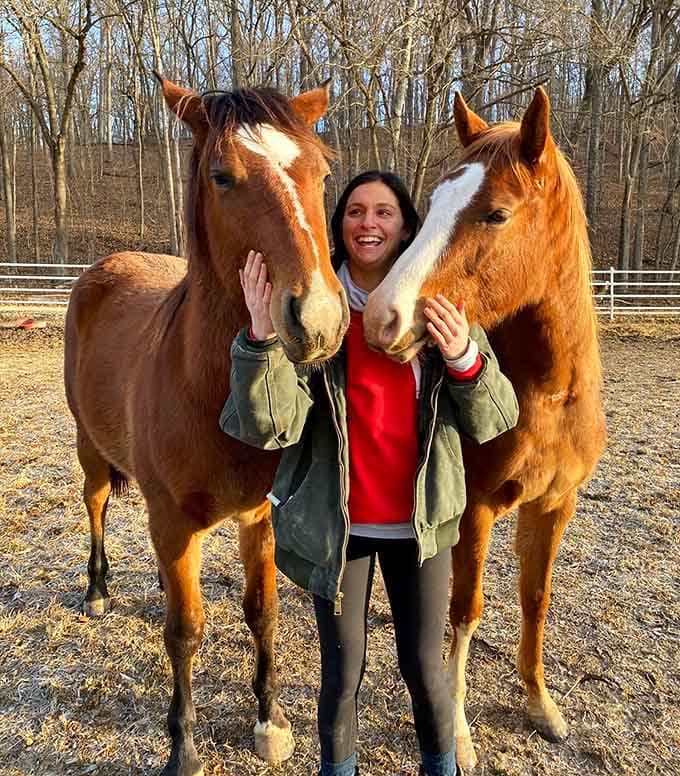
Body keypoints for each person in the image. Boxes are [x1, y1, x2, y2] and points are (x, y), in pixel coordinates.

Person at [220, 171, 519, 776]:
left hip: (422, 528)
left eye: (384, 212)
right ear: (339, 225)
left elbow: (496, 419)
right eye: (355, 211)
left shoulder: (441, 306)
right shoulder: (315, 316)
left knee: (426, 671)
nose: (368, 223)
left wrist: (464, 358)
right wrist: (259, 338)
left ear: (407, 226)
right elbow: (268, 426)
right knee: (342, 677)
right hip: (341, 530)